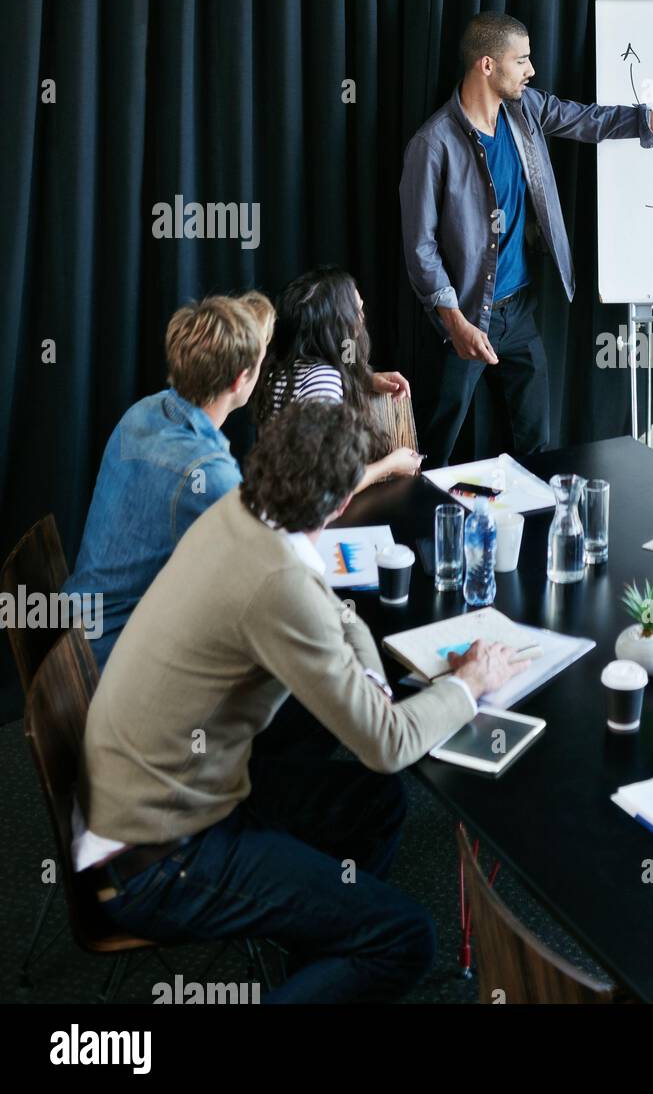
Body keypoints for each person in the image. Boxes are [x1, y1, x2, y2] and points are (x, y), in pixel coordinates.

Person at [75, 400, 522, 1003]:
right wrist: (470, 683)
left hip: (146, 795)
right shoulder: (278, 584)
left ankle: (319, 960)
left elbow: (333, 610)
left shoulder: (240, 512)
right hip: (161, 859)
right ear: (341, 504)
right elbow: (387, 744)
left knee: (377, 805)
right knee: (405, 937)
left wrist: (372, 682)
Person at [401, 10, 653, 466]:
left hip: (520, 313)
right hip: (465, 319)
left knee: (537, 449)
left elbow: (597, 121)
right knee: (433, 452)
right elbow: (420, 250)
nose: (531, 71)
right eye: (521, 61)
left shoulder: (524, 111)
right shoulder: (433, 145)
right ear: (487, 65)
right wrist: (456, 323)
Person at [63, 292, 273, 668]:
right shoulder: (211, 474)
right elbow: (266, 565)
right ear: (241, 379)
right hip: (110, 663)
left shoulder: (142, 413)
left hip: (74, 638)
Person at [254, 266, 421, 492]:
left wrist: (366, 378)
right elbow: (332, 486)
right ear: (340, 324)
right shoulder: (324, 379)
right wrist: (391, 465)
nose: (362, 317)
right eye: (357, 310)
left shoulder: (280, 369)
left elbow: (341, 357)